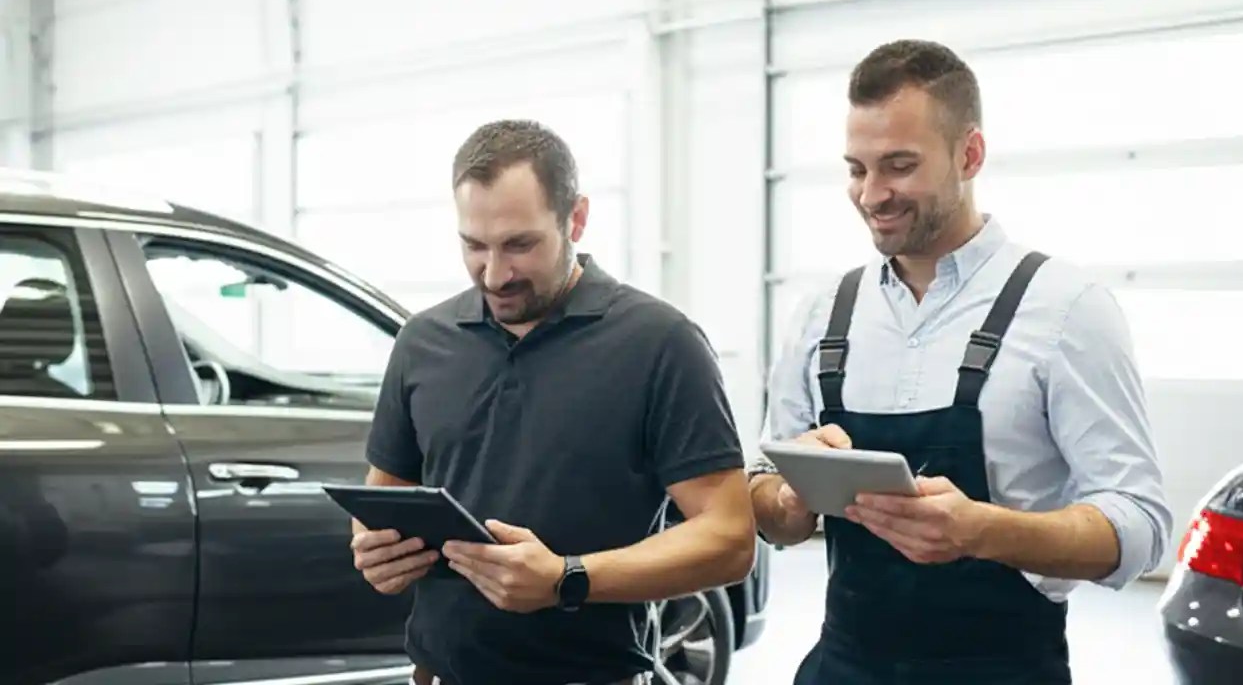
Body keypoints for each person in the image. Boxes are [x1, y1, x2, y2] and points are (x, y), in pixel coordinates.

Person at [747, 39, 1173, 684]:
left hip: (1001, 668)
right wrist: (787, 497)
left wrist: (981, 530)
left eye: (899, 166)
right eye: (857, 169)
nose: (871, 194)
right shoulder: (822, 316)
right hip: (842, 665)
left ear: (969, 154)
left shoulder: (1065, 308)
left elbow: (1140, 527)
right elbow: (764, 493)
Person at [347, 119, 757, 685]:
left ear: (577, 219)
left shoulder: (660, 344)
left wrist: (569, 578)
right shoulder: (422, 342)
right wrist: (375, 553)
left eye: (520, 244)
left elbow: (729, 540)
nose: (494, 273)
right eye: (474, 245)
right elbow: (380, 504)